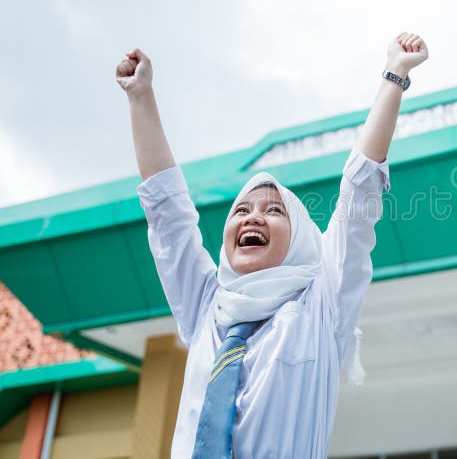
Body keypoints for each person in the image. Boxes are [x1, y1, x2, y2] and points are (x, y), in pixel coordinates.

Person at [115, 33, 429, 458]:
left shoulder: (322, 303)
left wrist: (395, 75)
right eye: (241, 210)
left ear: (302, 239)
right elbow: (168, 214)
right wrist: (141, 97)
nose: (253, 216)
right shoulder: (207, 306)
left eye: (273, 211)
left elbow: (359, 195)